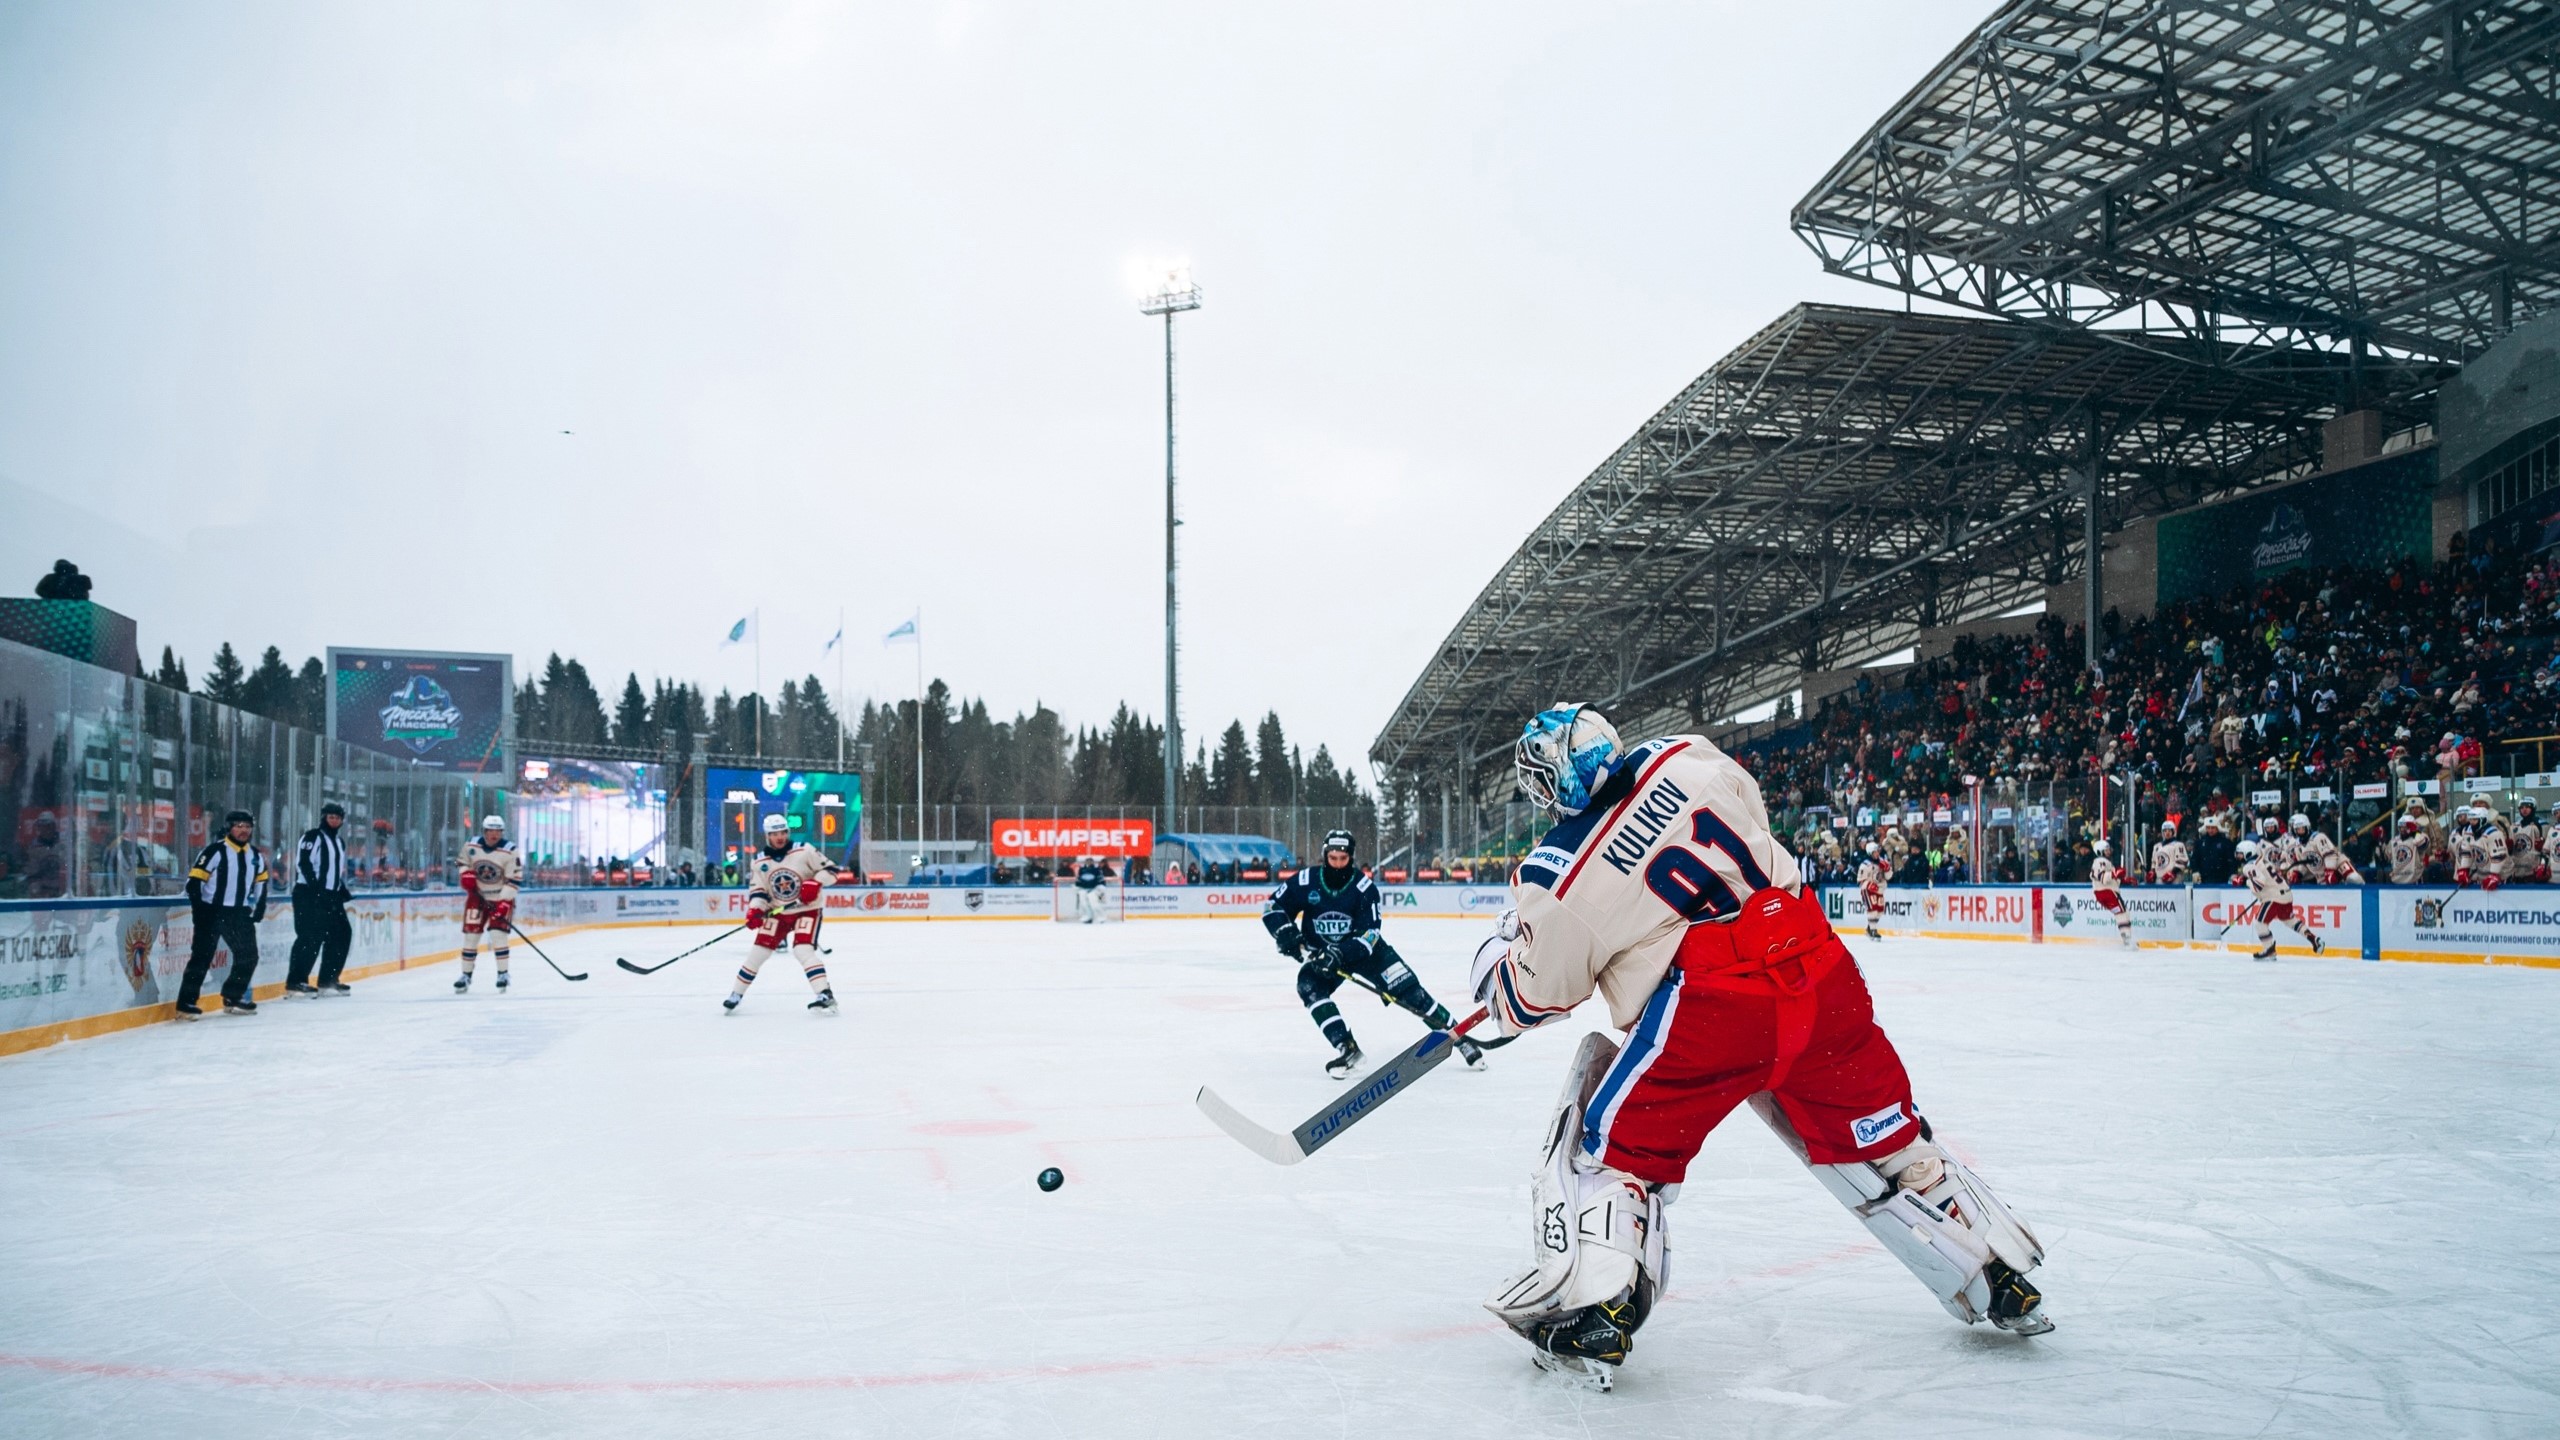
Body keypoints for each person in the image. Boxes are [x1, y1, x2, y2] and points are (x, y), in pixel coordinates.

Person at [1467, 704, 2049, 1388]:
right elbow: (1751, 823)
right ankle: (1996, 1265)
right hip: (1818, 969)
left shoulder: (1556, 875)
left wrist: (1504, 949)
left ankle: (1596, 1310)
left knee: (1607, 1153)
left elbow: (1531, 1000)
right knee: (1881, 1134)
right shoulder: (1685, 755)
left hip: (1711, 1012)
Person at [1262, 828, 1483, 1079]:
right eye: (1332, 858)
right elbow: (1272, 907)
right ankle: (1347, 1048)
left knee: (1414, 995)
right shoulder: (1305, 881)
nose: (1336, 864)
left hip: (1369, 955)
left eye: (1342, 859)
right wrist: (1286, 933)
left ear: (1351, 858)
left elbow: (1369, 935)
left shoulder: (1364, 888)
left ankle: (1460, 1037)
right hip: (1326, 956)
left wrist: (1340, 953)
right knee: (1308, 984)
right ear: (1325, 856)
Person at [727, 813, 839, 1014]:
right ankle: (735, 994)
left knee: (802, 950)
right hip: (777, 913)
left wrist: (816, 882)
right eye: (774, 833)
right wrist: (755, 910)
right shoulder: (760, 862)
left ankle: (824, 993)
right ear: (767, 836)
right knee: (757, 953)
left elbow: (832, 871)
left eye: (783, 832)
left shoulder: (804, 851)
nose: (779, 837)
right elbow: (759, 892)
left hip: (807, 910)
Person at [176, 810, 270, 1018]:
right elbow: (194, 882)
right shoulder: (215, 851)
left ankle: (233, 997)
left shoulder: (255, 855)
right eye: (239, 826)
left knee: (248, 955)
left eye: (247, 826)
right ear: (229, 828)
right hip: (212, 911)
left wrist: (260, 907)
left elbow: (261, 884)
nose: (244, 830)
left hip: (239, 913)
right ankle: (185, 1004)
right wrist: (200, 910)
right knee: (202, 957)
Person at [285, 802, 356, 995]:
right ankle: (296, 982)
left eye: (338, 818)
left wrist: (339, 888)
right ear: (324, 817)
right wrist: (317, 889)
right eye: (330, 817)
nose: (334, 820)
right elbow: (304, 863)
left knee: (341, 934)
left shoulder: (339, 842)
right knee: (310, 936)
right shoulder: (313, 836)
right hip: (308, 894)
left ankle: (328, 980)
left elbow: (334, 870)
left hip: (330, 896)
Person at [455, 814, 522, 994]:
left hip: (500, 897)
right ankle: (466, 975)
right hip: (477, 897)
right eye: (490, 830)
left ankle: (503, 973)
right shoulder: (471, 846)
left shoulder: (509, 851)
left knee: (498, 933)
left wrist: (503, 902)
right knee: (471, 935)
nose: (494, 834)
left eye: (498, 831)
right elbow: (462, 862)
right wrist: (465, 874)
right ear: (484, 831)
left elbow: (514, 879)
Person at [2233, 838, 2325, 961]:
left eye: (2239, 854)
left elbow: (2259, 885)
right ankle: (2314, 939)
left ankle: (2269, 949)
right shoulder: (2262, 860)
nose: (2238, 857)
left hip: (2274, 897)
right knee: (2290, 921)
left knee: (2259, 923)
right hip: (2286, 894)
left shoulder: (2249, 866)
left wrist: (2246, 882)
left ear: (2247, 853)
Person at [2087, 839, 2135, 948]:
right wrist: (2115, 873)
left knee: (2121, 913)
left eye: (2109, 849)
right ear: (2100, 851)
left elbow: (2109, 877)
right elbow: (2103, 878)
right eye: (2106, 849)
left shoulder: (2104, 862)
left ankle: (2126, 938)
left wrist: (2124, 880)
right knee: (2123, 913)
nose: (2109, 851)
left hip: (2102, 894)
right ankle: (2127, 939)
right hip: (2108, 892)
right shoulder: (2101, 861)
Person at [1856, 842, 1887, 941]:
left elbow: (1888, 876)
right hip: (1868, 890)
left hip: (1879, 889)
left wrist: (1888, 869)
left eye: (1878, 851)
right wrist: (1869, 885)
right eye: (1875, 852)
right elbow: (1860, 880)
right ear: (1870, 853)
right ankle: (1873, 930)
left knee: (1880, 910)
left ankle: (1870, 928)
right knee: (1872, 909)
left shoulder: (1882, 861)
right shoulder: (1865, 865)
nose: (1877, 853)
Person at [2387, 814, 2429, 885]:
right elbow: (2389, 857)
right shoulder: (2394, 841)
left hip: (2414, 880)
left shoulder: (2419, 837)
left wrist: (2415, 831)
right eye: (2400, 827)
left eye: (2405, 827)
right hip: (2397, 881)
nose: (2402, 829)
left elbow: (2421, 843)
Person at [2148, 819, 2189, 884]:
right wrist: (2152, 872)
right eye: (2165, 831)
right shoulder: (2157, 846)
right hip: (2159, 879)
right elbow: (2154, 862)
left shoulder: (2178, 845)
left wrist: (2173, 873)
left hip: (2175, 879)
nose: (2167, 833)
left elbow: (2182, 862)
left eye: (2169, 830)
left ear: (2173, 832)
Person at [1073, 854, 1111, 923]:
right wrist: (1077, 887)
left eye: (1090, 861)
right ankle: (1088, 917)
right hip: (1084, 889)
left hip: (1094, 889)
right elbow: (1078, 880)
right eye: (1087, 861)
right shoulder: (1082, 870)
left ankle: (1101, 917)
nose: (1089, 863)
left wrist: (1100, 888)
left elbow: (1101, 880)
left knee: (1095, 904)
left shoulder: (1097, 870)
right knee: (1084, 904)